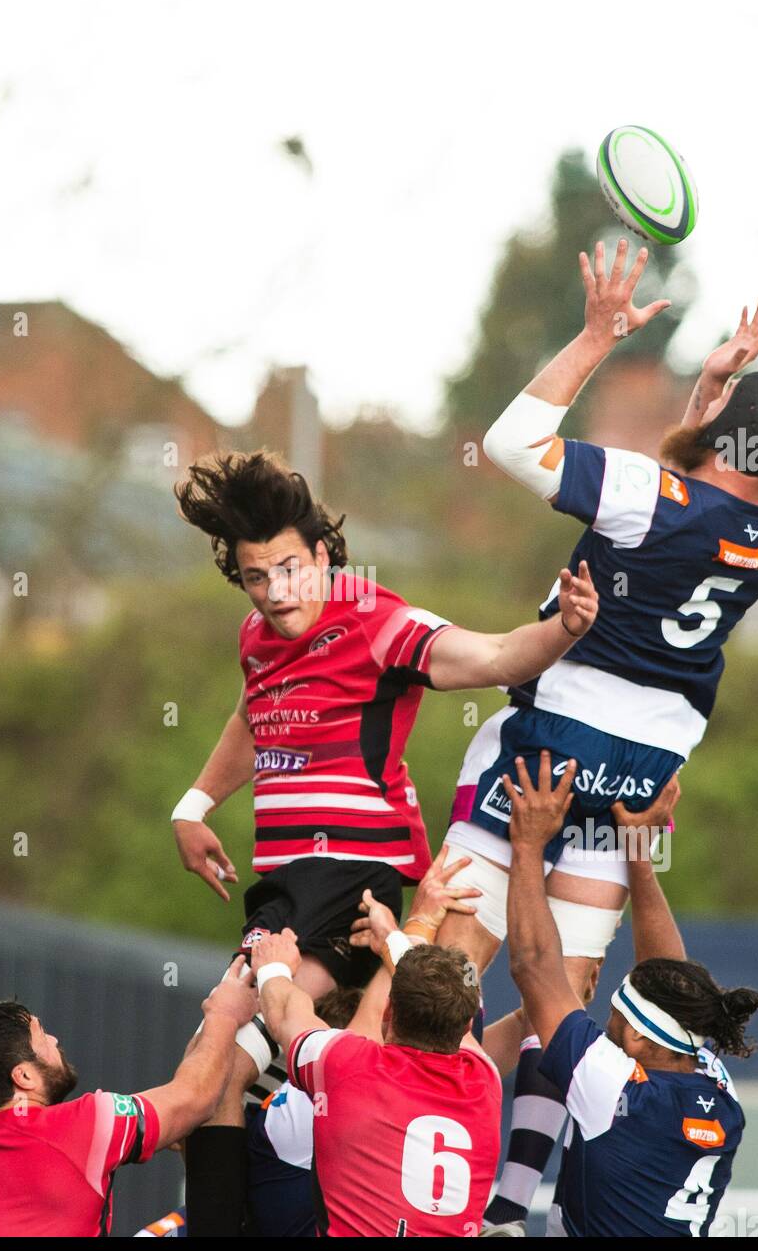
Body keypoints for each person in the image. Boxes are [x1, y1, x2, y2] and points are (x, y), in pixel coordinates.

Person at [170, 449, 595, 1206]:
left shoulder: (377, 621)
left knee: (220, 1069)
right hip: (282, 892)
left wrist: (563, 629)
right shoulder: (256, 639)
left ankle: (505, 1196)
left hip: (346, 887)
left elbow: (494, 655)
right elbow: (253, 715)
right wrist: (195, 805)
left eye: (290, 569)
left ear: (325, 554)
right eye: (256, 577)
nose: (275, 592)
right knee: (333, 1073)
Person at [438, 238, 758, 1001]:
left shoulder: (651, 492)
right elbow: (687, 503)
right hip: (646, 768)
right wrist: (714, 394)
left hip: (560, 730)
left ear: (719, 434)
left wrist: (596, 337)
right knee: (566, 998)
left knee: (444, 976)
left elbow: (514, 446)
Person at [500, 750, 758, 1237]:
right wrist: (637, 851)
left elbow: (533, 966)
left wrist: (528, 844)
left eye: (616, 1016)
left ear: (640, 1042)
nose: (603, 1022)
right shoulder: (712, 1082)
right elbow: (669, 977)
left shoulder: (616, 1090)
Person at [0, 963, 256, 1236]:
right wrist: (224, 1014)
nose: (55, 1040)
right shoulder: (70, 1128)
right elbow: (196, 1097)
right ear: (23, 1077)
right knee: (194, 1226)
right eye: (42, 1037)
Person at [249, 921, 502, 1237]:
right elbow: (446, 1008)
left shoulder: (345, 1063)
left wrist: (273, 965)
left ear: (387, 1010)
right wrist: (394, 941)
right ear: (467, 1027)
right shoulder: (485, 1078)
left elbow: (285, 1011)